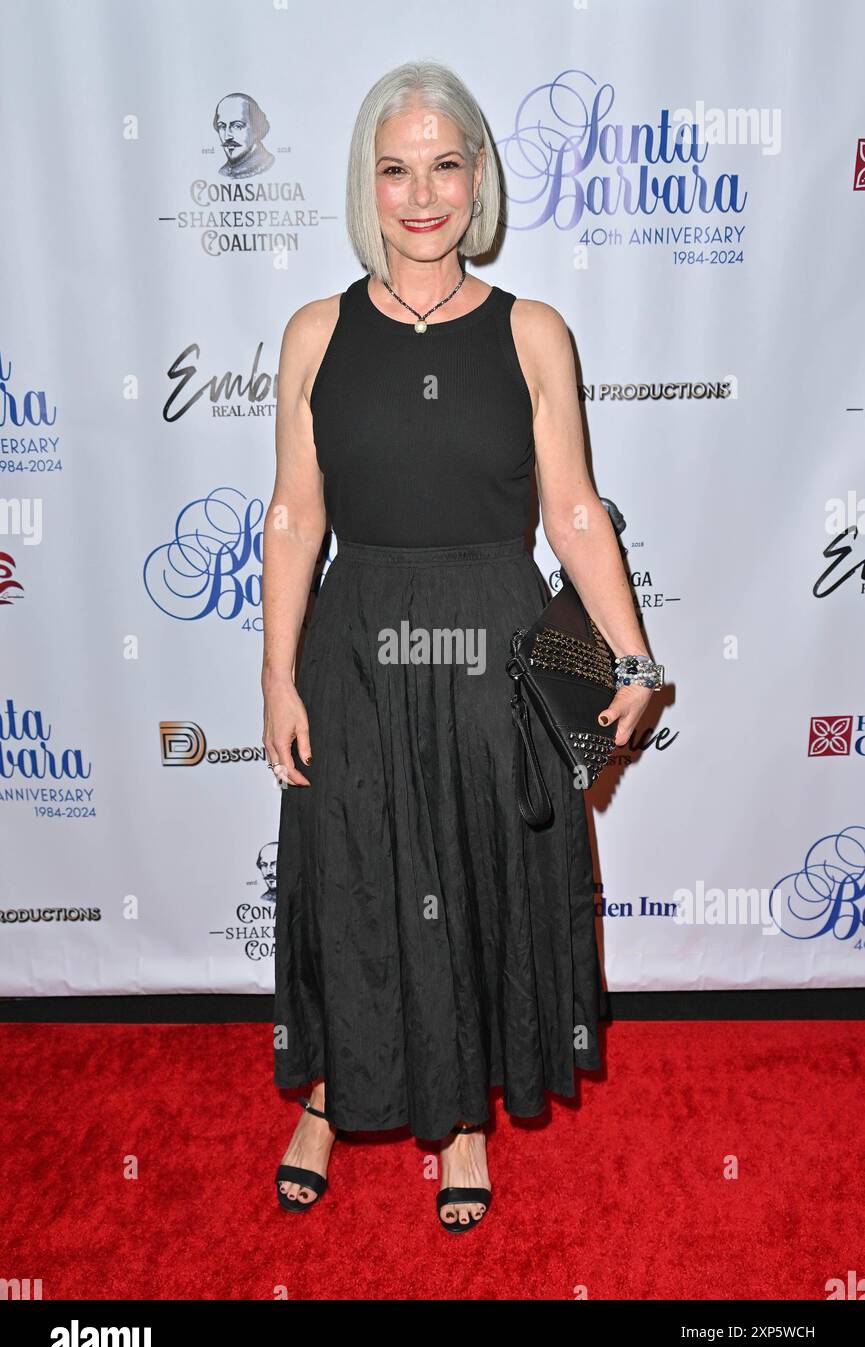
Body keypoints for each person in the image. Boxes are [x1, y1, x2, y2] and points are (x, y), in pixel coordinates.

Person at [261, 60, 661, 1232]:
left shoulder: (533, 332)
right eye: (396, 169)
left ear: (477, 176)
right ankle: (331, 1091)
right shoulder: (315, 332)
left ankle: (468, 1122)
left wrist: (629, 660)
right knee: (350, 881)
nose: (421, 194)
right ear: (366, 184)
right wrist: (276, 673)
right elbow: (293, 515)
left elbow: (575, 511)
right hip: (360, 654)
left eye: (444, 165)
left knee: (479, 882)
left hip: (496, 649)